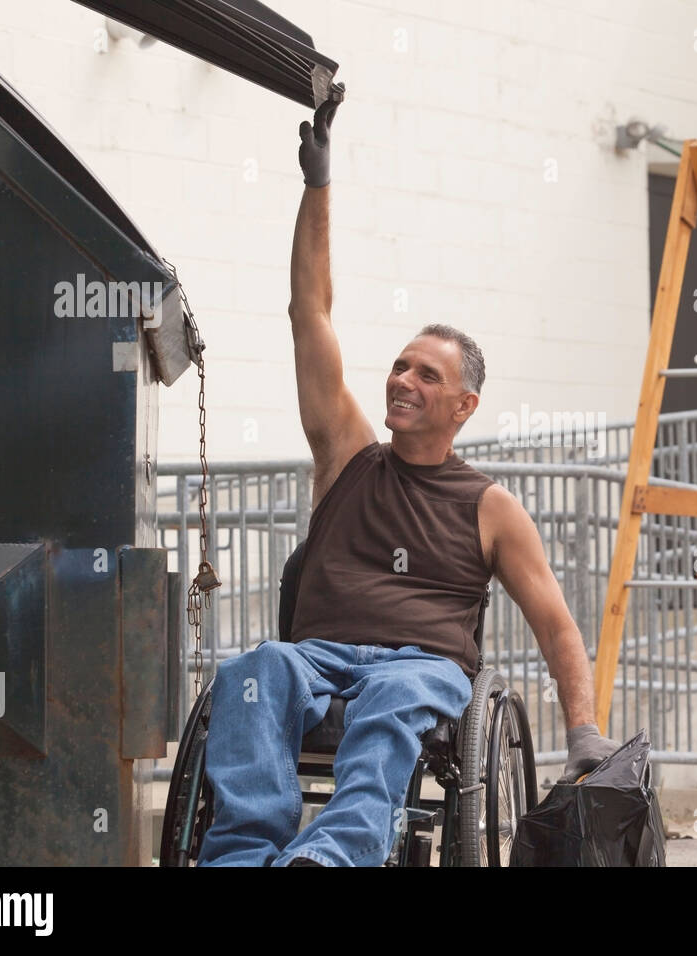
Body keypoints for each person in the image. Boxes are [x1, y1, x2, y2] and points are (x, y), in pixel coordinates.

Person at [198, 95, 619, 867]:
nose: (402, 379)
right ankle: (239, 857)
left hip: (420, 669)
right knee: (254, 670)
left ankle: (328, 859)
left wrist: (584, 731)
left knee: (395, 699)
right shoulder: (348, 453)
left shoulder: (490, 508)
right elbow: (309, 313)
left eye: (426, 374)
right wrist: (317, 183)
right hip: (317, 656)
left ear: (463, 406)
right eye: (399, 364)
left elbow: (557, 625)